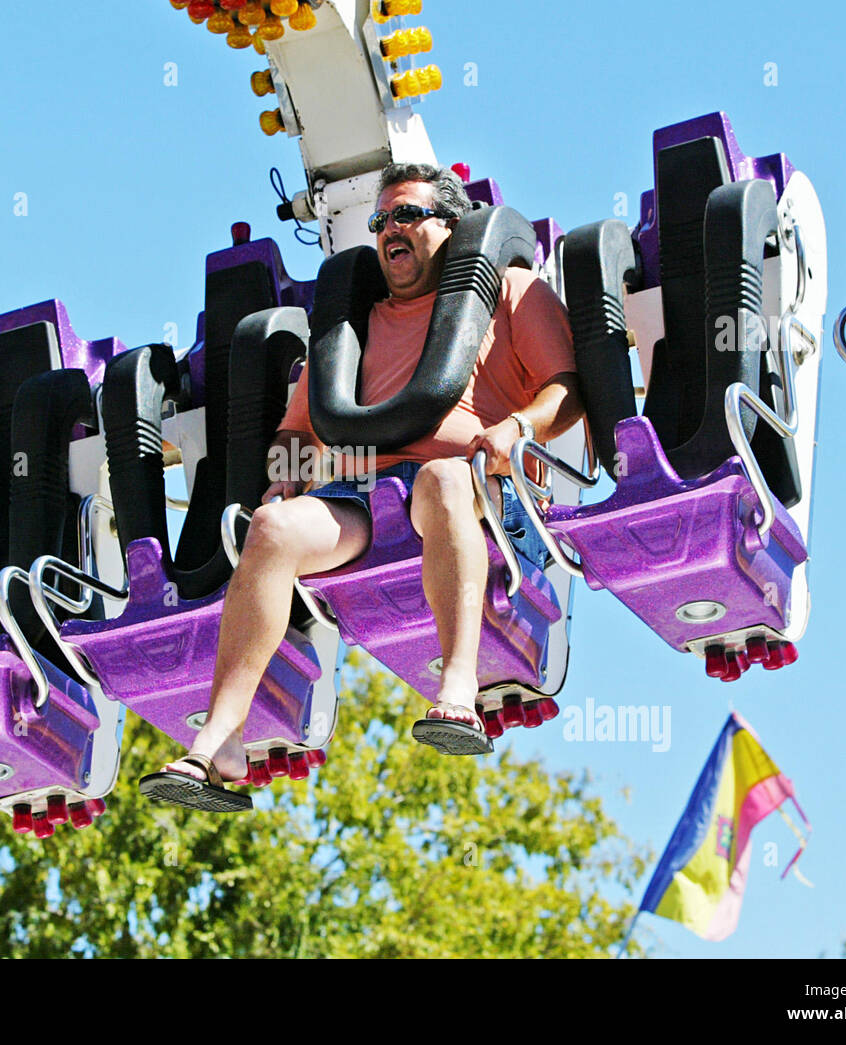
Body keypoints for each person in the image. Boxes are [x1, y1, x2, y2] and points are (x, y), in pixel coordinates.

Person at [138, 163, 583, 811]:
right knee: (271, 530)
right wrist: (283, 482)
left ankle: (459, 694)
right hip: (365, 500)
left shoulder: (513, 291)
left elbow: (565, 391)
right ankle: (219, 742)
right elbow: (298, 427)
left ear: (453, 226)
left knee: (440, 478)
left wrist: (518, 427)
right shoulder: (352, 330)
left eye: (407, 215)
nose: (388, 230)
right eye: (380, 222)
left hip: (481, 490)